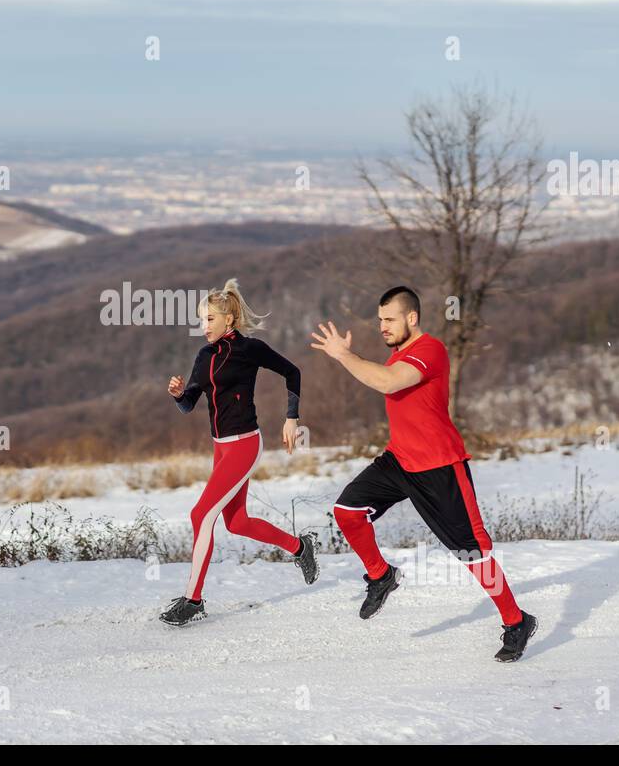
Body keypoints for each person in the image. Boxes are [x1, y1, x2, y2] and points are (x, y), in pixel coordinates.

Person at [310, 285, 537, 661]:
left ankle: (516, 621)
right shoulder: (399, 354)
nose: (381, 326)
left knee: (472, 552)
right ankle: (381, 575)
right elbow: (385, 381)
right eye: (379, 320)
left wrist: (344, 355)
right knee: (347, 511)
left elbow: (387, 382)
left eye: (389, 319)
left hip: (440, 467)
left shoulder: (430, 350)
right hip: (399, 460)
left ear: (411, 318)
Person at [159, 278, 319, 626]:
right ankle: (300, 547)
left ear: (228, 319)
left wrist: (292, 419)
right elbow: (189, 405)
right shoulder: (203, 357)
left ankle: (193, 599)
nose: (204, 327)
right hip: (220, 448)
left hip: (246, 444)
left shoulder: (250, 349)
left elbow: (293, 372)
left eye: (211, 320)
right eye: (202, 320)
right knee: (237, 522)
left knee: (201, 515)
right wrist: (176, 395)